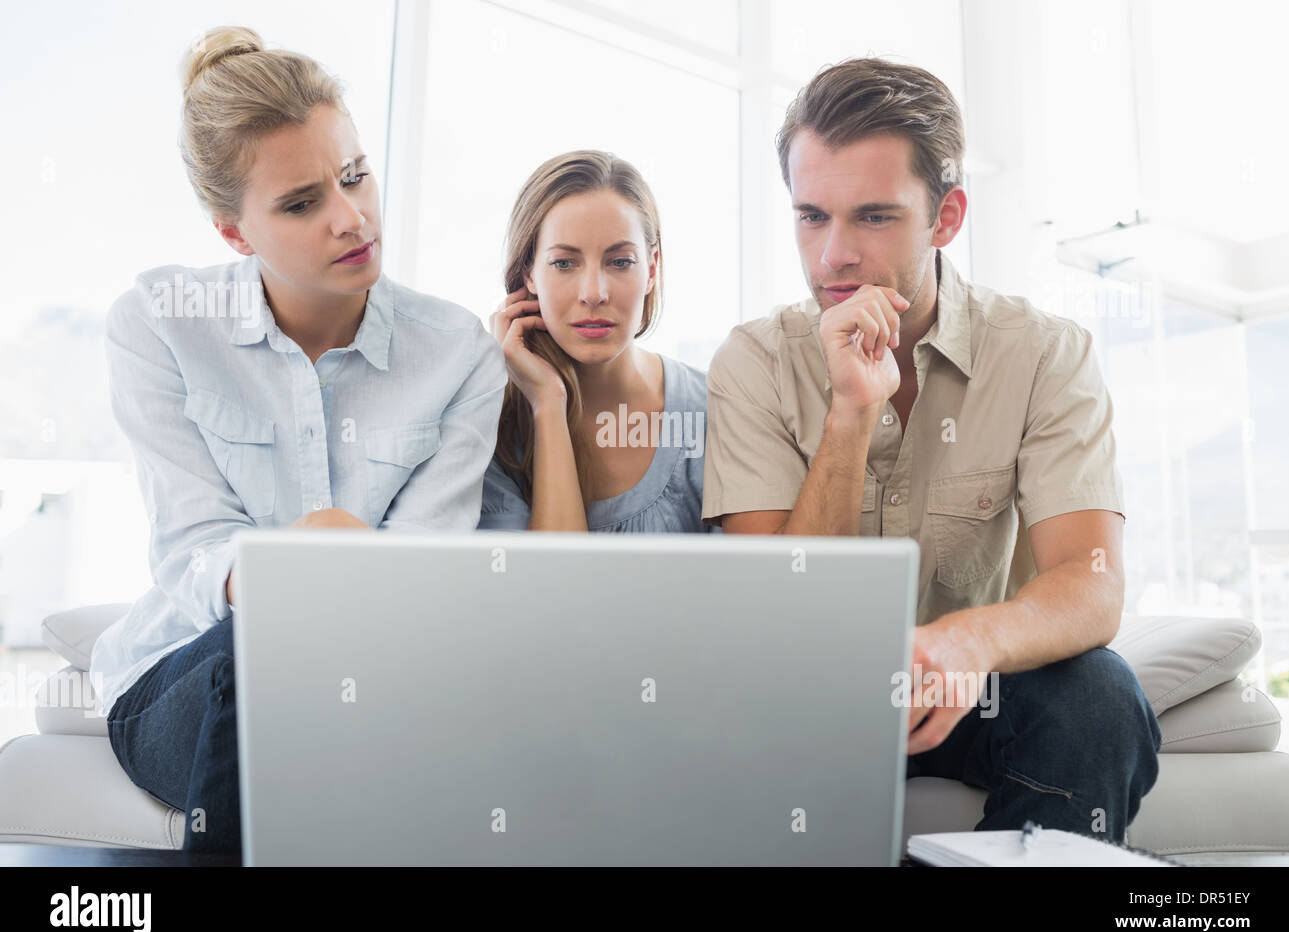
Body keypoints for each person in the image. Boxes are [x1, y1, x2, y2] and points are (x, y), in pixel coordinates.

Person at [702, 57, 1161, 843]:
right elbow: (782, 609)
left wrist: (961, 643)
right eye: (812, 216)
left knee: (1100, 697)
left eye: (872, 217)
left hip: (975, 689)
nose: (832, 256)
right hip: (805, 694)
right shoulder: (754, 360)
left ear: (946, 218)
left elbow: (1092, 586)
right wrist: (850, 410)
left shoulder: (1046, 354)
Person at [92, 26, 506, 853]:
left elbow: (425, 573)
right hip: (187, 677)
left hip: (380, 677)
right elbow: (193, 550)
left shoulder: (458, 352)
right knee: (270, 657)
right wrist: (293, 569)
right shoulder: (159, 325)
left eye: (354, 176)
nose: (352, 219)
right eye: (301, 203)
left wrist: (335, 577)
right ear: (233, 233)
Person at [478, 150, 713, 533]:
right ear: (529, 274)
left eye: (620, 262)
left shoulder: (712, 411)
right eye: (564, 263)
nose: (593, 293)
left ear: (652, 270)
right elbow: (555, 586)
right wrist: (547, 404)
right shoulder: (489, 429)